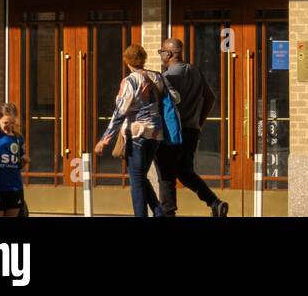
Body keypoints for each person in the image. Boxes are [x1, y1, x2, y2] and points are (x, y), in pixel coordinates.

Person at [155, 37, 227, 217]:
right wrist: (199, 122)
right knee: (185, 172)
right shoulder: (195, 71)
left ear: (169, 54)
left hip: (172, 133)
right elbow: (210, 97)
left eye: (162, 51)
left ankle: (168, 213)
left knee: (166, 174)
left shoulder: (166, 78)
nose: (161, 54)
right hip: (191, 131)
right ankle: (215, 203)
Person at [94, 44, 168, 217]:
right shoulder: (157, 76)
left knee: (136, 181)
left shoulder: (130, 81)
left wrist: (104, 139)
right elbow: (175, 98)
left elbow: (119, 112)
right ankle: (159, 213)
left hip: (137, 135)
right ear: (143, 59)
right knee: (141, 177)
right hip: (156, 135)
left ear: (127, 61)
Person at [0, 102, 28, 218]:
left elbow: (18, 165)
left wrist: (25, 161)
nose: (9, 126)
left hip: (15, 188)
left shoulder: (18, 139)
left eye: (12, 123)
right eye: (6, 123)